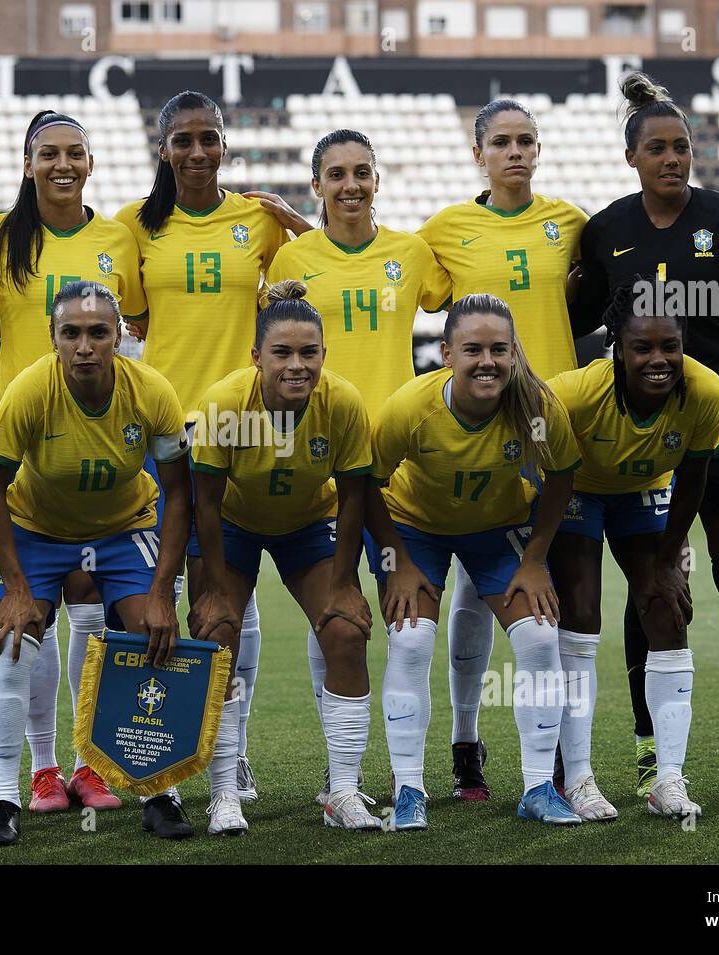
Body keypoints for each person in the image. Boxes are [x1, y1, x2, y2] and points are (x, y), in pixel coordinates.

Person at [572, 72, 719, 800]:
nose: (674, 158)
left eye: (684, 146)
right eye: (658, 148)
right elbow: (569, 319)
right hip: (639, 432)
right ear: (632, 157)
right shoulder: (605, 230)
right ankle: (647, 745)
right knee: (653, 585)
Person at [115, 90, 305, 805]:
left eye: (210, 138)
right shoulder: (135, 226)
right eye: (184, 140)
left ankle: (234, 752)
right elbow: (133, 316)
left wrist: (297, 222)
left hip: (240, 425)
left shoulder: (256, 219)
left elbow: (309, 290)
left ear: (225, 144)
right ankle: (149, 755)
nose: (198, 151)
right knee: (168, 593)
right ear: (163, 148)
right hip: (162, 431)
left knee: (230, 591)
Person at [265, 130, 450, 802]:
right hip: (324, 461)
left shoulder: (413, 253)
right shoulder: (292, 256)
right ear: (315, 186)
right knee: (334, 610)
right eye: (336, 174)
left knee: (410, 620)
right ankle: (338, 772)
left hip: (399, 465)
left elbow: (461, 294)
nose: (351, 184)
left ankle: (416, 775)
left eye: (362, 172)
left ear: (379, 179)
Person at [0, 280, 191, 845]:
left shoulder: (152, 391)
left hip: (126, 527)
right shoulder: (26, 393)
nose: (85, 346)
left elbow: (178, 490)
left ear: (118, 336)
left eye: (98, 332)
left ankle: (157, 790)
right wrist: (18, 588)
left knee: (153, 633)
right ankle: (3, 798)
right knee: (13, 639)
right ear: (53, 339)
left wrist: (165, 590)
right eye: (71, 333)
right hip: (40, 531)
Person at [417, 99, 589, 801]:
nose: (516, 151)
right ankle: (467, 741)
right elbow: (381, 268)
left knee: (542, 591)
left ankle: (550, 758)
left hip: (549, 426)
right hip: (479, 421)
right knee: (476, 579)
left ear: (537, 150)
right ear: (478, 152)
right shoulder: (447, 229)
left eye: (526, 141)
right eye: (502, 142)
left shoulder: (572, 224)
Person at [0, 108, 147, 814]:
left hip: (100, 442)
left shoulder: (118, 238)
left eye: (74, 151)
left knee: (92, 604)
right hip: (19, 441)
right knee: (30, 614)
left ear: (91, 161)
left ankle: (90, 763)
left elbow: (138, 324)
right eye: (47, 152)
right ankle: (42, 769)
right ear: (27, 164)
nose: (62, 163)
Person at [366, 293, 583, 829]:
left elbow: (562, 476)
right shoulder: (410, 409)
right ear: (446, 354)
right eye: (473, 349)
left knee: (537, 637)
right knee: (412, 638)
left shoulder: (535, 407)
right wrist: (397, 562)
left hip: (497, 530)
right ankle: (410, 789)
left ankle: (538, 788)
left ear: (513, 355)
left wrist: (534, 559)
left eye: (499, 350)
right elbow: (365, 484)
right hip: (417, 528)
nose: (487, 361)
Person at [189, 280, 379, 834]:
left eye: (309, 353)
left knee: (345, 630)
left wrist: (344, 583)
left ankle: (342, 790)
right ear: (256, 358)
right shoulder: (225, 404)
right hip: (233, 525)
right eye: (282, 353)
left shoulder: (341, 402)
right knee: (217, 631)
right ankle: (224, 793)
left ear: (324, 354)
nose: (297, 365)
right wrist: (217, 589)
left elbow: (352, 499)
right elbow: (204, 502)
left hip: (307, 525)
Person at [549, 281, 719, 820]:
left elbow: (694, 479)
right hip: (576, 490)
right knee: (581, 615)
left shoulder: (707, 392)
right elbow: (537, 465)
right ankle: (578, 777)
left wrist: (669, 561)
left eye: (669, 346)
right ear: (617, 347)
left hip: (645, 492)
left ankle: (667, 779)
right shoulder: (573, 393)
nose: (658, 359)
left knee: (666, 611)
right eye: (642, 347)